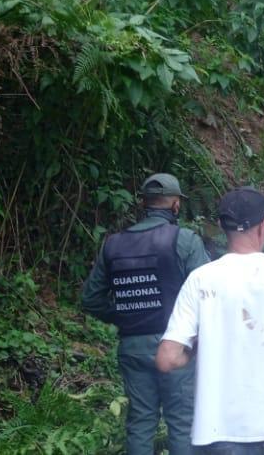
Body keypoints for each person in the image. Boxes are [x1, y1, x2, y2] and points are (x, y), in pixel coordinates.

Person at [155, 187, 264, 455]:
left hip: (214, 436)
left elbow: (166, 358)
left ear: (221, 227)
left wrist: (197, 350)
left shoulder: (200, 279)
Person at [82, 173, 209, 455]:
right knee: (181, 423)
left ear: (143, 203)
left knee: (140, 423)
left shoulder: (113, 244)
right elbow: (208, 297)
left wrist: (125, 315)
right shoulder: (185, 240)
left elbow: (90, 299)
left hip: (132, 347)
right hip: (176, 348)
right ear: (176, 205)